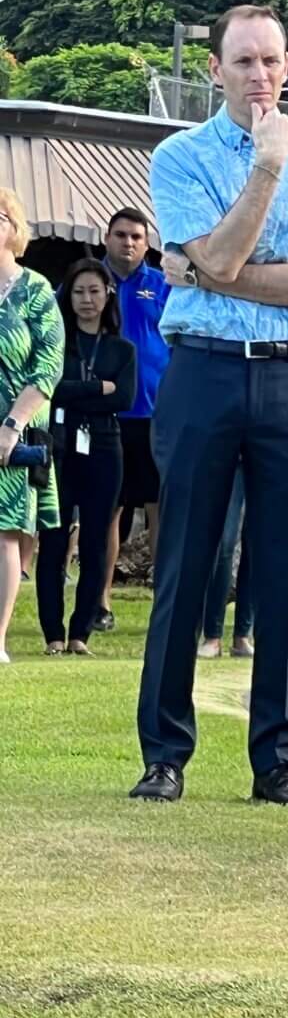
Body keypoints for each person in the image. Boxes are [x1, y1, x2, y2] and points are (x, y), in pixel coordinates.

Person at [132, 4, 288, 807]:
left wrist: (209, 270)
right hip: (202, 370)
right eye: (245, 63)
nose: (262, 78)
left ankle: (278, 758)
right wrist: (264, 170)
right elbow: (227, 252)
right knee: (185, 562)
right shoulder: (181, 156)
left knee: (281, 567)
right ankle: (165, 753)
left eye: (273, 62)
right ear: (215, 70)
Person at [35, 259, 137, 655]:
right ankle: (52, 635)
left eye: (94, 291)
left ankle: (80, 633)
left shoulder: (122, 349)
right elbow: (52, 389)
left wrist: (79, 390)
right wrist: (97, 388)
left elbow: (125, 397)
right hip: (60, 447)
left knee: (95, 543)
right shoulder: (59, 344)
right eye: (78, 292)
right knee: (55, 540)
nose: (86, 300)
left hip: (106, 448)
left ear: (107, 294)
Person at [0, 187, 64, 665]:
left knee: (6, 531)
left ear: (13, 227)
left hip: (15, 431)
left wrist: (11, 426)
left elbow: (47, 366)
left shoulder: (35, 289)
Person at [104, 207, 169, 633]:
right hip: (105, 415)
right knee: (107, 509)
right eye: (121, 235)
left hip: (156, 414)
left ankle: (165, 598)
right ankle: (101, 599)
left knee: (159, 507)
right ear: (105, 238)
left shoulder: (164, 285)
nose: (129, 243)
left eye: (137, 237)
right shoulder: (88, 284)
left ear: (147, 244)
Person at [197, 469, 254, 659]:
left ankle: (243, 635)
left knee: (255, 546)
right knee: (224, 543)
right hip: (232, 458)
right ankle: (213, 636)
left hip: (263, 456)